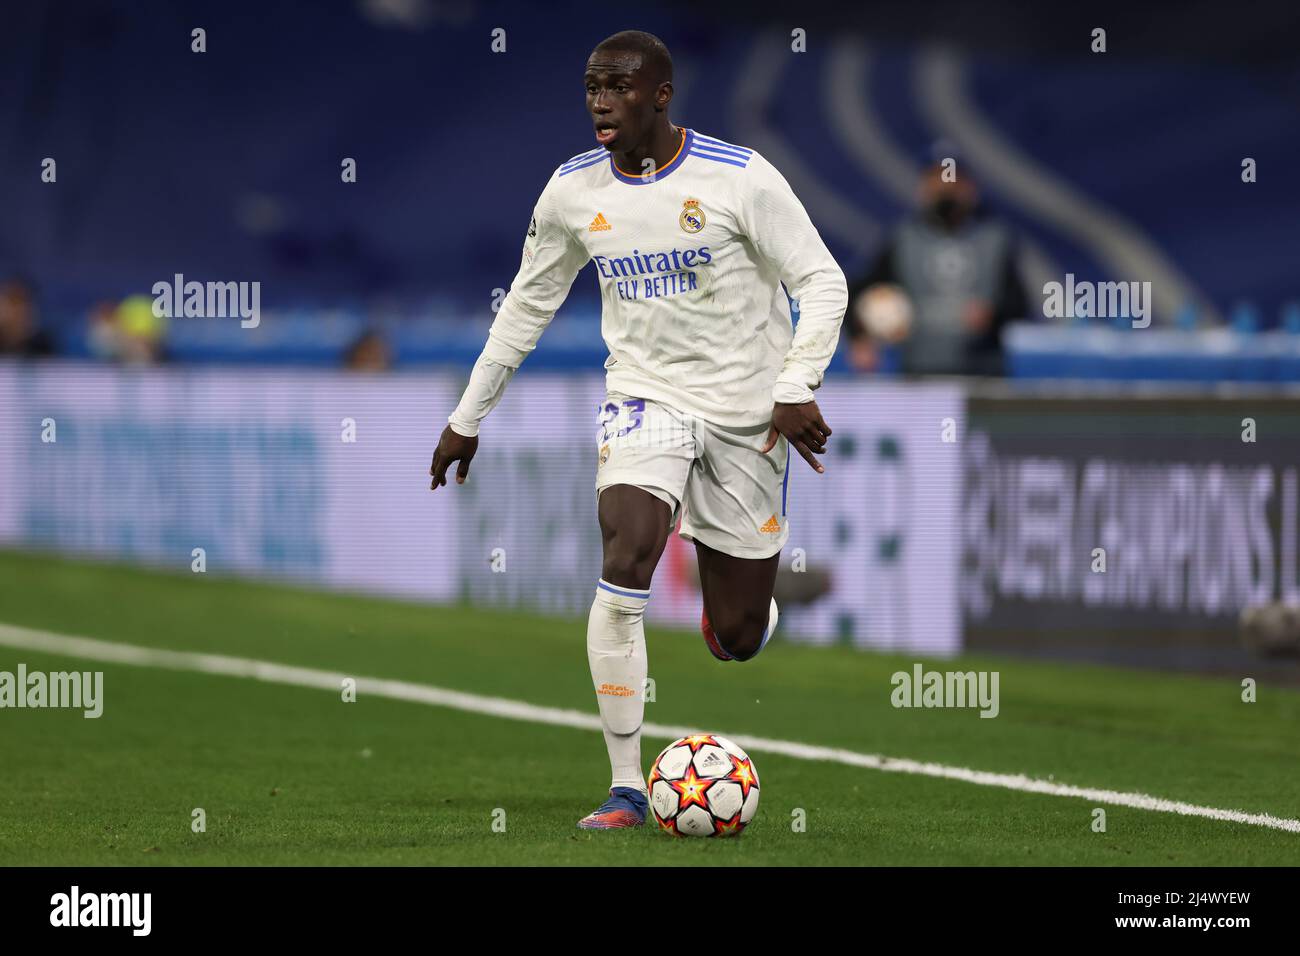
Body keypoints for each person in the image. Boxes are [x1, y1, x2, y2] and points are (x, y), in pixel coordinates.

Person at [428, 30, 846, 830]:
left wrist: (795, 385)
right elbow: (526, 305)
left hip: (744, 413)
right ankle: (624, 786)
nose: (600, 100)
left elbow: (822, 281)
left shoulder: (740, 177)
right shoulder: (572, 192)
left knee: (740, 635)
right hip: (644, 400)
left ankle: (743, 614)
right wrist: (465, 417)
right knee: (626, 549)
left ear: (661, 94)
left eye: (619, 86)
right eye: (591, 86)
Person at [846, 161, 1026, 376]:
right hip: (921, 373)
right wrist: (860, 337)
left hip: (981, 372)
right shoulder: (904, 239)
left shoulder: (995, 239)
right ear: (923, 188)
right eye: (937, 179)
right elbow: (858, 289)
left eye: (954, 180)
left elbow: (1019, 302)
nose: (946, 188)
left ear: (971, 188)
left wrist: (993, 314)